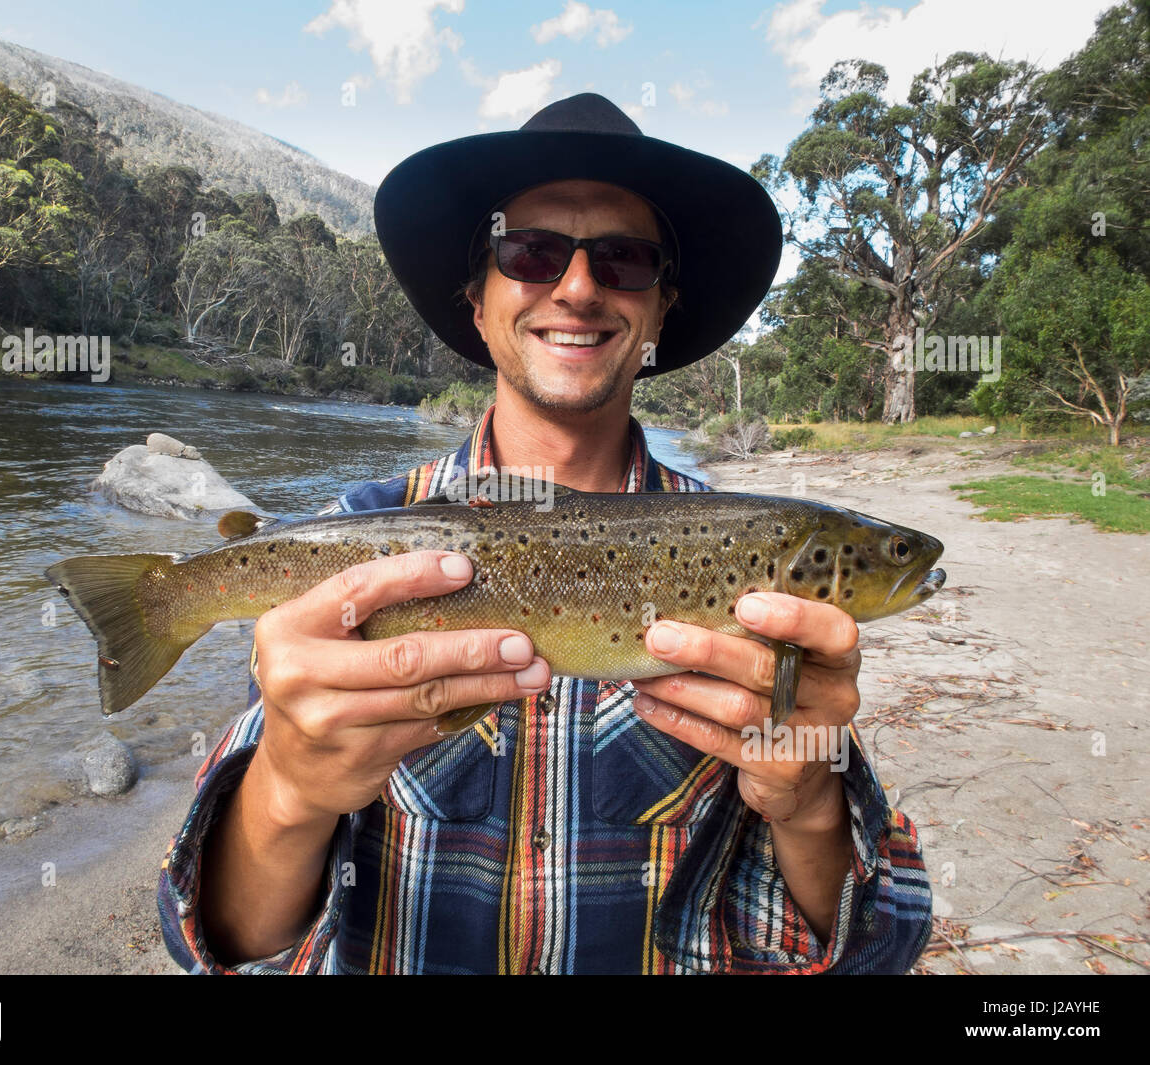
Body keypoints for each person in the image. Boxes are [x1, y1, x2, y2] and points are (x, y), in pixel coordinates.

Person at [157, 93, 933, 974]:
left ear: (659, 313)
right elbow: (215, 948)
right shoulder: (347, 552)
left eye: (625, 259)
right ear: (477, 303)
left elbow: (882, 949)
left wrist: (812, 804)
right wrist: (289, 791)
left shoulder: (754, 567)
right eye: (529, 253)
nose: (577, 286)